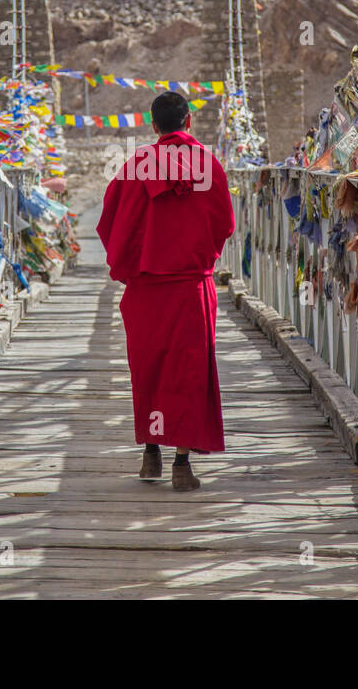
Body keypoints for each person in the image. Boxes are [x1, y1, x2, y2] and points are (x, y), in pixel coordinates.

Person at [95, 92, 234, 491]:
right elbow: (225, 223)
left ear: (153, 126)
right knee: (187, 372)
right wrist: (197, 253)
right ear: (188, 122)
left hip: (145, 292)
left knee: (149, 369)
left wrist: (134, 263)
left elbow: (108, 223)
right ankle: (182, 463)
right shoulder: (207, 164)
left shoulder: (136, 166)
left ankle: (150, 454)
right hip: (191, 287)